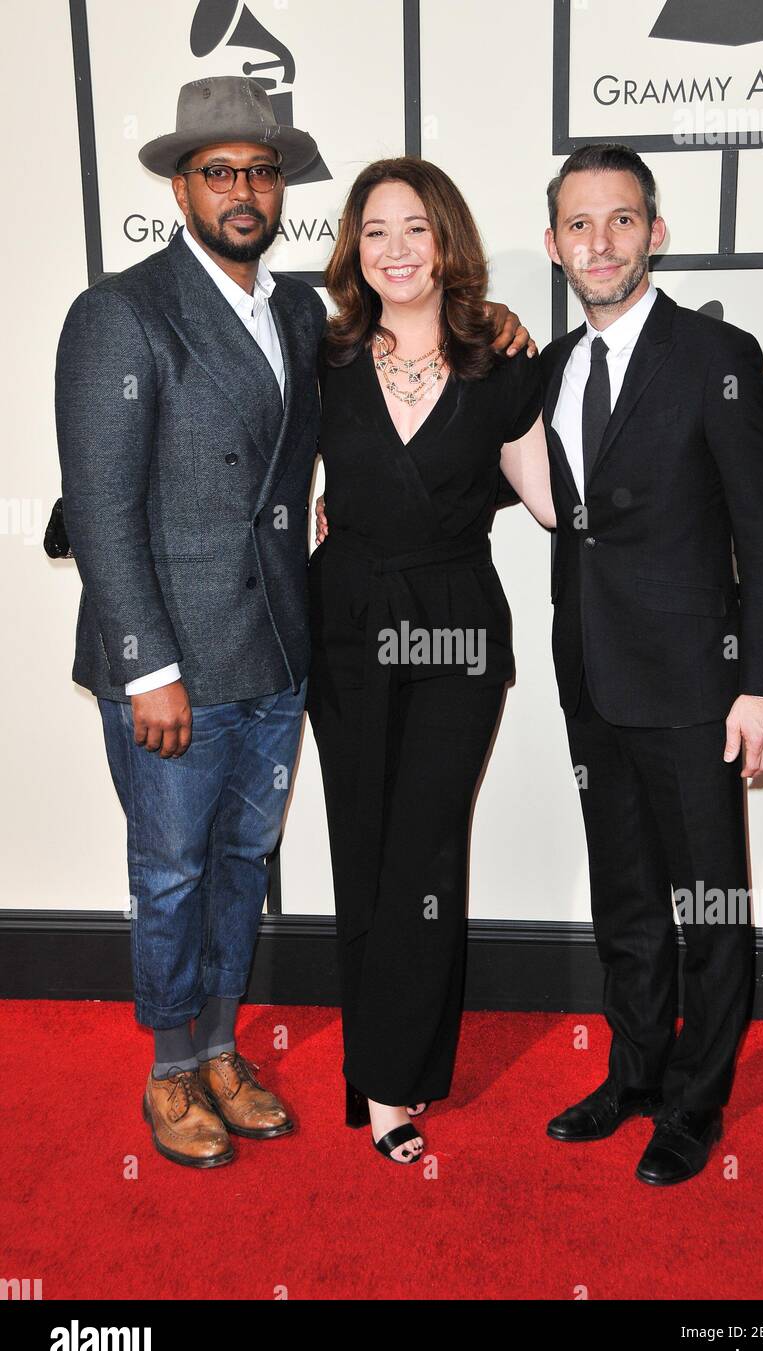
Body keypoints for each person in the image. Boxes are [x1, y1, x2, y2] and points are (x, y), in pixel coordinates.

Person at [54, 76, 532, 1170]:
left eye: (261, 170)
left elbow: (392, 406)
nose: (243, 188)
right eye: (219, 169)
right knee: (169, 869)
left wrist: (490, 322)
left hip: (282, 651)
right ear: (180, 185)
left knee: (238, 861)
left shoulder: (300, 316)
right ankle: (172, 1069)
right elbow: (99, 503)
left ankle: (222, 1047)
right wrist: (143, 667)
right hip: (173, 657)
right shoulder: (119, 311)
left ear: (281, 190)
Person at [541, 144, 763, 1185]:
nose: (597, 242)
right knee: (627, 897)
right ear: (555, 242)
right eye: (576, 224)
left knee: (709, 902)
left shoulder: (715, 354)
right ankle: (635, 1074)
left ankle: (695, 1101)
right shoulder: (552, 366)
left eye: (618, 219)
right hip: (593, 676)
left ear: (653, 230)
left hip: (700, 680)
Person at [306, 157, 555, 1164]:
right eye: (374, 230)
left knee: (423, 853)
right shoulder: (316, 357)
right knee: (360, 847)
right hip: (347, 619)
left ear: (446, 239)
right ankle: (370, 1080)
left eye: (414, 228)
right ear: (352, 250)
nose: (395, 249)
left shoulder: (502, 364)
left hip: (456, 626)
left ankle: (399, 1078)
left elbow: (545, 502)